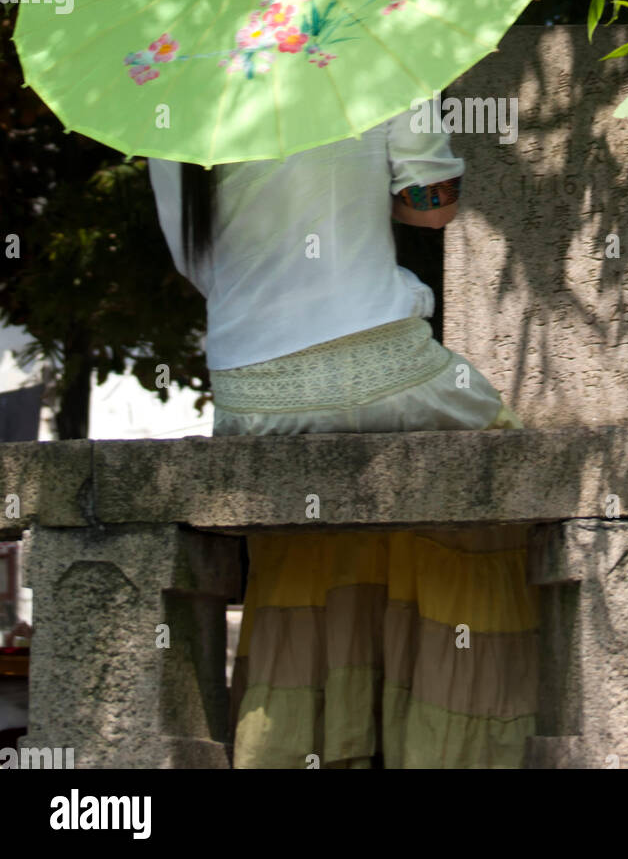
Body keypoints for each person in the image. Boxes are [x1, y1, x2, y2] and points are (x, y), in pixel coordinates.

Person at [147, 107, 538, 769]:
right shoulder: (368, 52)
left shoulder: (168, 84)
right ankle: (445, 741)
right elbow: (430, 207)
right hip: (381, 367)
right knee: (508, 467)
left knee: (315, 538)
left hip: (249, 397)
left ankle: (324, 737)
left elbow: (197, 262)